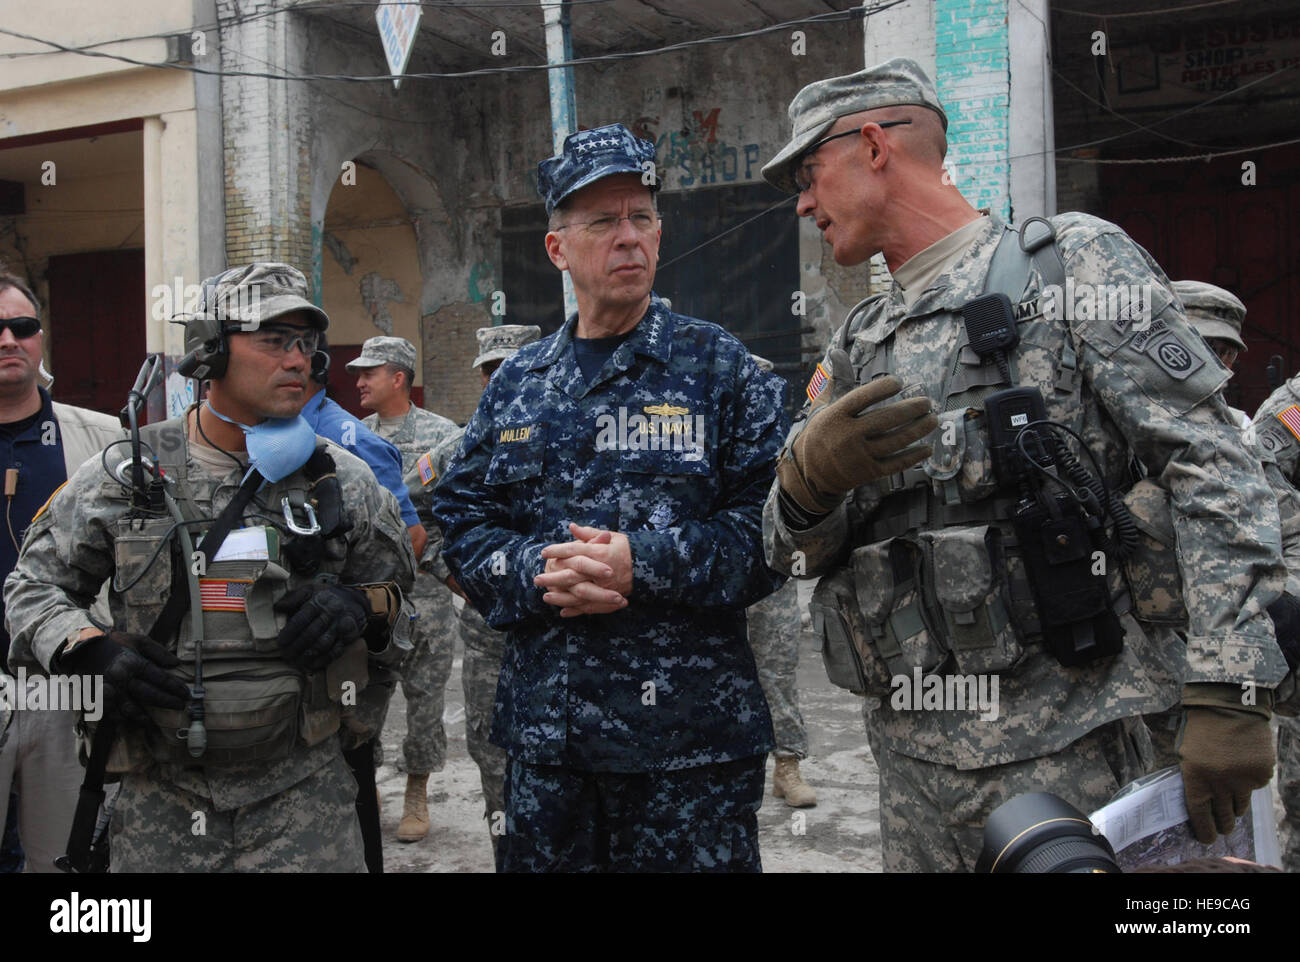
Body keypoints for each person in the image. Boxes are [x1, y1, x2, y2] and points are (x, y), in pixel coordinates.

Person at [760, 59, 1287, 871]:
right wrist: (807, 486)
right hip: (910, 779)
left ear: (872, 145)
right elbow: (786, 554)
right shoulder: (858, 343)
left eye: (807, 172)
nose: (800, 201)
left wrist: (1232, 688)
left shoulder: (1071, 267)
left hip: (1078, 765)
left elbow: (1213, 465)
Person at [432, 124, 789, 873]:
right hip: (548, 753)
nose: (628, 238)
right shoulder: (517, 383)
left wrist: (642, 565)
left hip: (692, 754)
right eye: (602, 221)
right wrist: (536, 570)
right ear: (558, 248)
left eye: (641, 218)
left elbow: (771, 533)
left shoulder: (722, 369)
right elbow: (459, 522)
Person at [4, 262, 415, 872]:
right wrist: (88, 649)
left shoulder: (341, 481)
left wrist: (362, 610)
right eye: (275, 341)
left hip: (306, 803)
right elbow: (32, 587)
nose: (299, 360)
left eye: (307, 344)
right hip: (163, 805)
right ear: (211, 353)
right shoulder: (130, 474)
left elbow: (403, 612)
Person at [0, 271, 123, 872]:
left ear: (40, 339)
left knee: (66, 864)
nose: (8, 340)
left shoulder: (101, 442)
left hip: (67, 687)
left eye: (21, 327)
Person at [421, 323, 540, 857]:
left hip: (569, 639)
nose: (502, 379)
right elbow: (415, 518)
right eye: (491, 370)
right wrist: (458, 580)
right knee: (495, 764)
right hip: (490, 639)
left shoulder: (579, 432)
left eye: (512, 366)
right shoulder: (459, 447)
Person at [297, 338, 415, 870]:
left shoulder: (348, 440)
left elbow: (406, 539)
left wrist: (353, 601)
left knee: (350, 782)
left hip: (340, 666)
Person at [347, 336, 459, 843]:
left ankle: (416, 792)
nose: (359, 382)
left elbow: (457, 514)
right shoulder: (349, 437)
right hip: (370, 593)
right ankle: (361, 787)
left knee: (425, 698)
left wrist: (431, 559)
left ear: (399, 378)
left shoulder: (442, 436)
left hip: (426, 593)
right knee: (362, 696)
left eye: (370, 372)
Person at [746, 355, 815, 808]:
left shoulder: (784, 442)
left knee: (778, 670)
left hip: (771, 576)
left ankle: (787, 767)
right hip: (716, 579)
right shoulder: (699, 438)